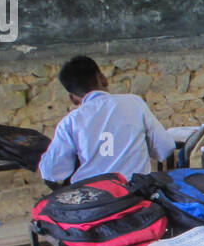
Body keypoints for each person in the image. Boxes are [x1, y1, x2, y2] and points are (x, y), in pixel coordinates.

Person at [39, 55, 174, 184]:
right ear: (103, 79)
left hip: (95, 199)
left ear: (73, 98)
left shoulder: (71, 121)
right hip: (137, 194)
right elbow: (165, 148)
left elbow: (52, 171)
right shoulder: (134, 103)